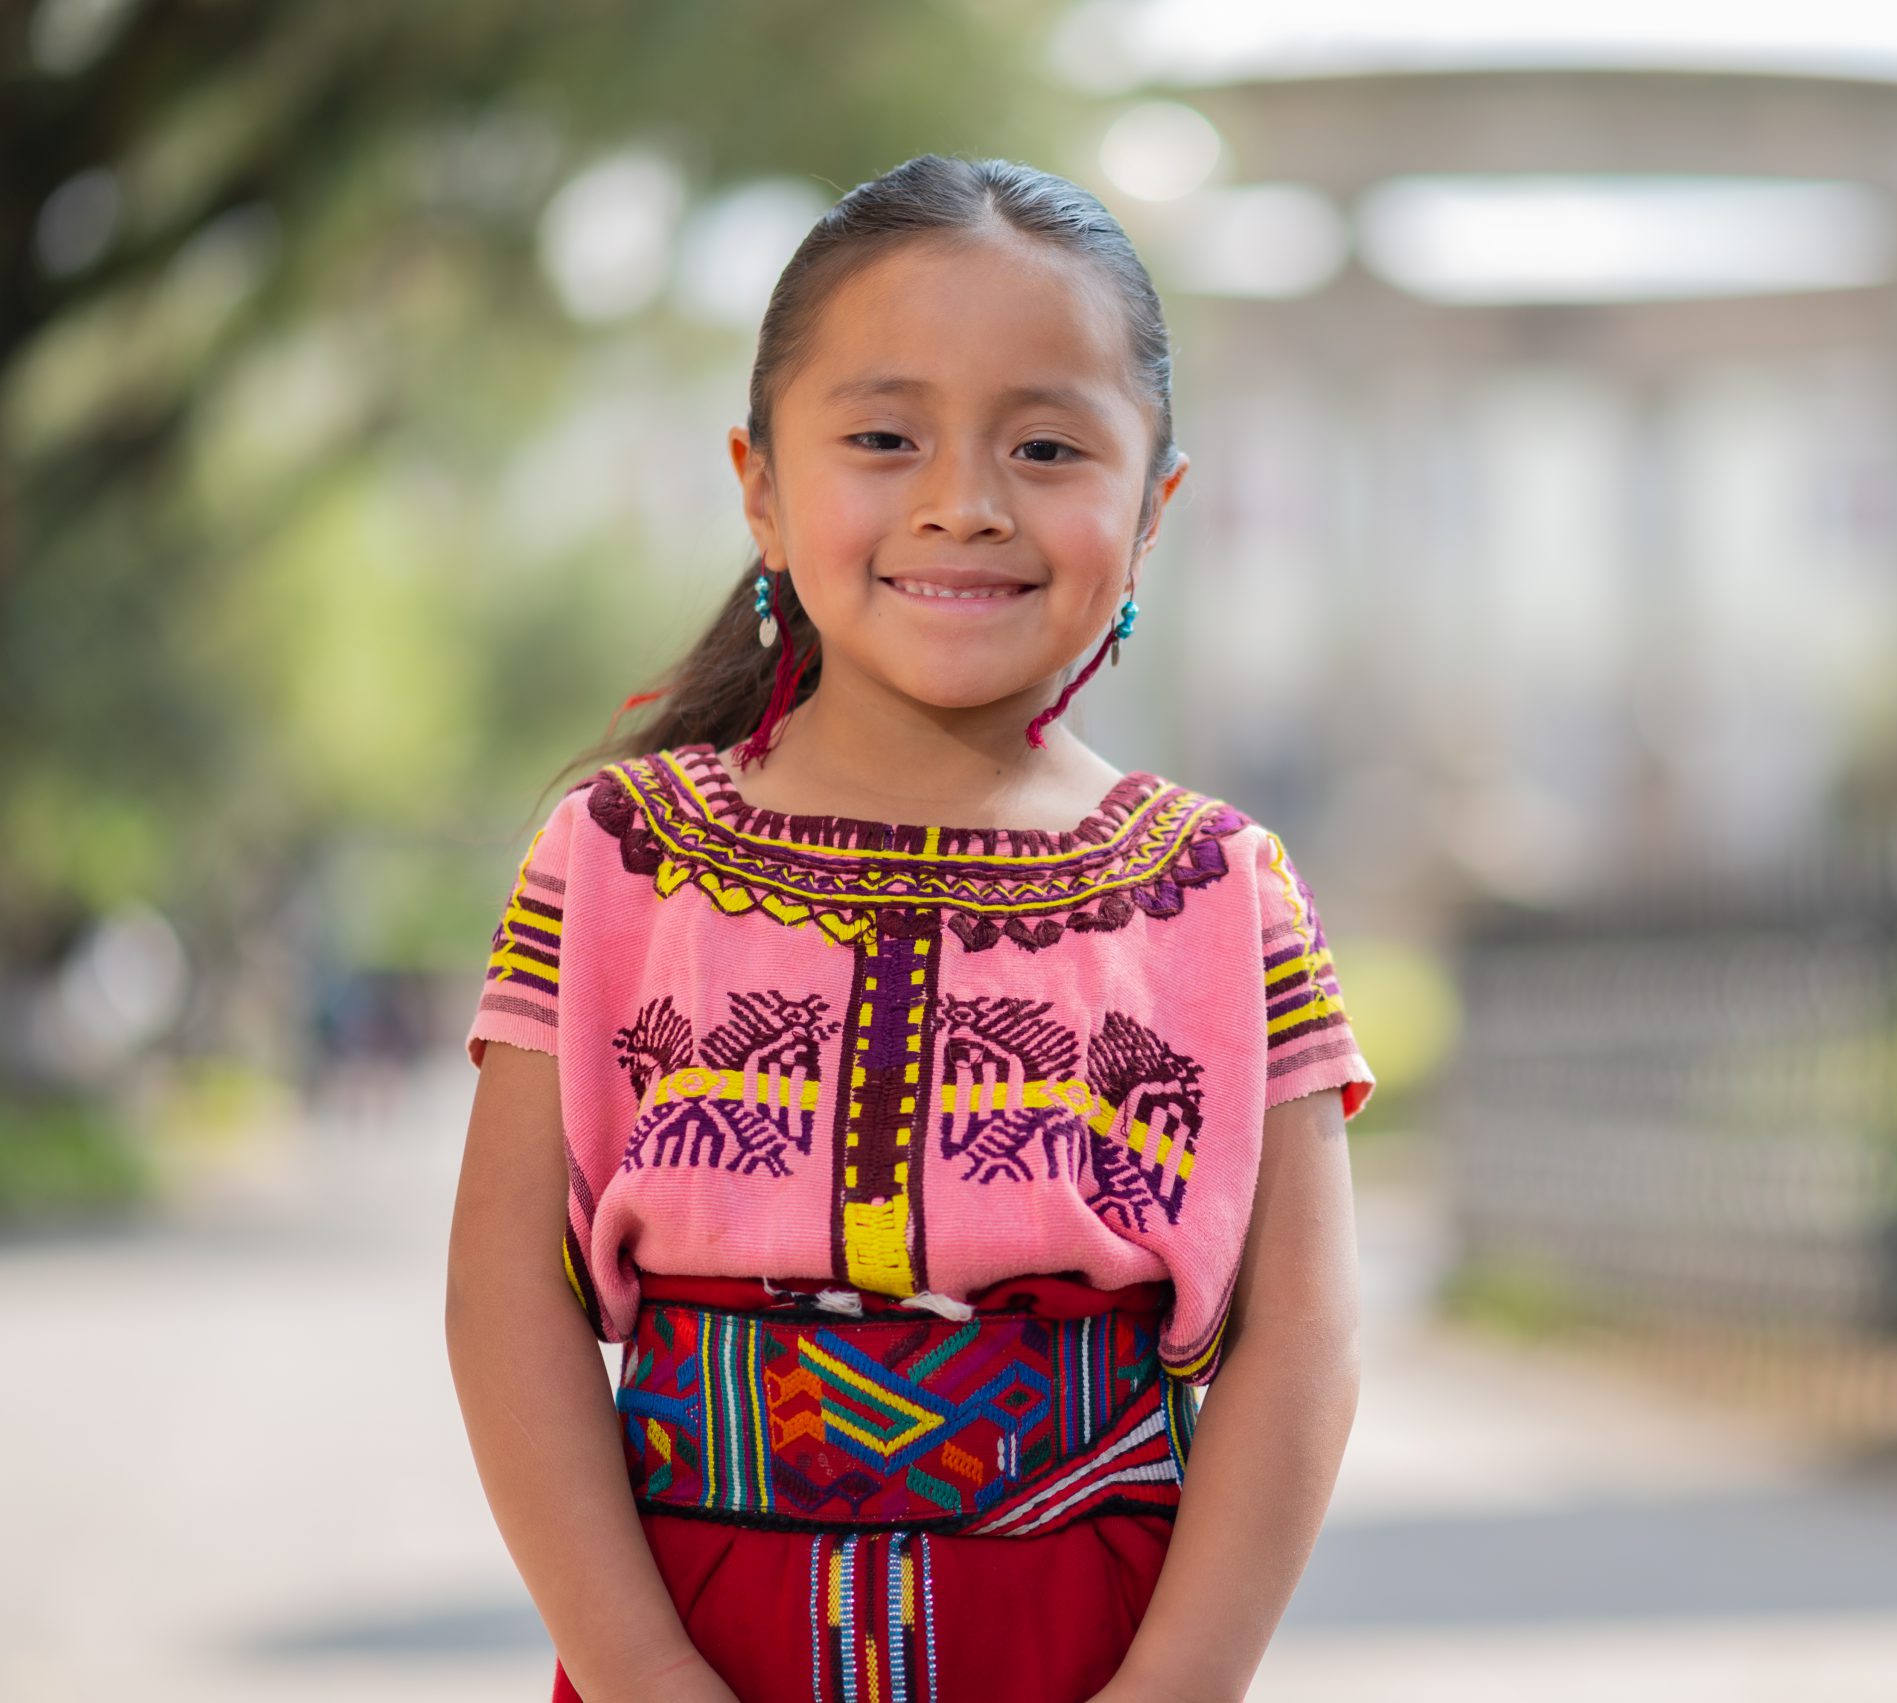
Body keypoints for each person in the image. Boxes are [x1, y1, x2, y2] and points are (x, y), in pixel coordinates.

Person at [444, 153, 1377, 1703]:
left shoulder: (1220, 891)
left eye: (1047, 446)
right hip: (688, 1639)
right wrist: (640, 1678)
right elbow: (506, 1302)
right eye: (884, 437)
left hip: (1088, 1643)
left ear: (1155, 507)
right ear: (758, 483)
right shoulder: (615, 860)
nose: (963, 502)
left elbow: (1301, 1342)